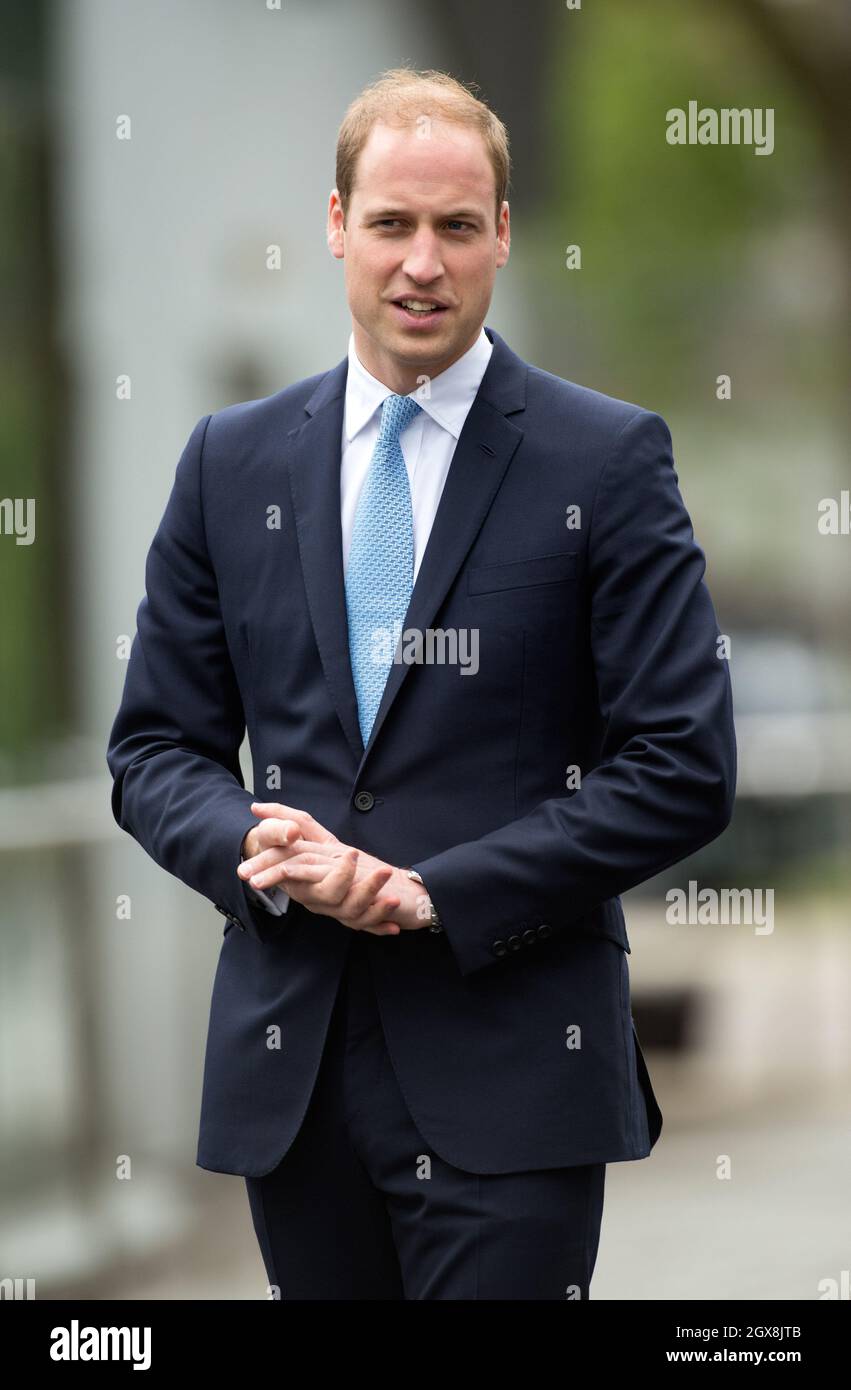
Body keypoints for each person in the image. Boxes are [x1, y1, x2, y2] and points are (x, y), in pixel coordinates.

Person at [106, 66, 736, 1300]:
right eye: (390, 223)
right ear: (335, 224)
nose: (421, 262)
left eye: (456, 226)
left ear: (501, 233)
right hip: (295, 1068)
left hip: (514, 1071)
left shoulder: (603, 459)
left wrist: (428, 894)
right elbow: (153, 751)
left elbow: (682, 765)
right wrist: (260, 844)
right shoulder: (230, 464)